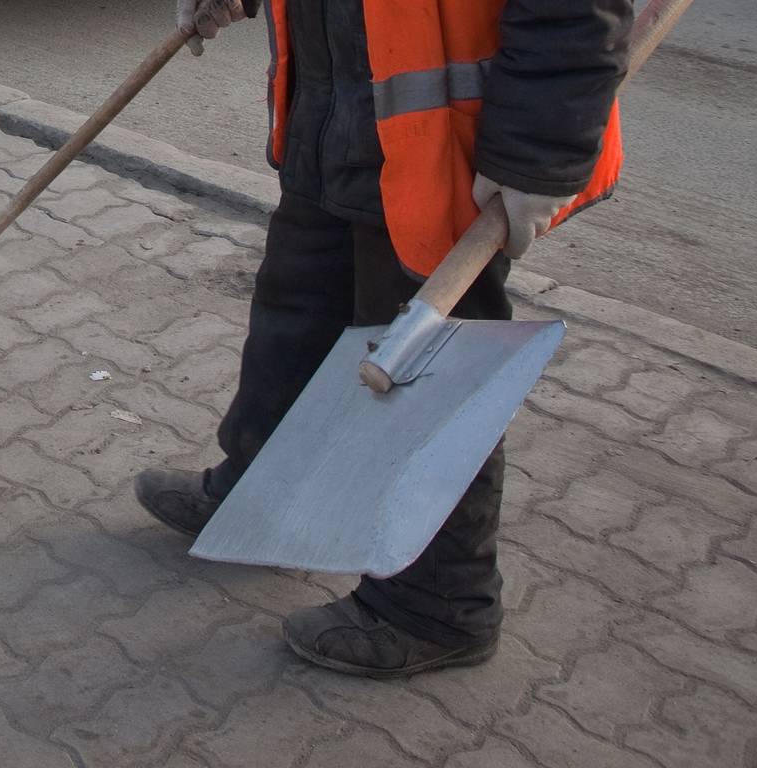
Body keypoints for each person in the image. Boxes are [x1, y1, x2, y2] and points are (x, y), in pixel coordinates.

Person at [137, 0, 633, 678]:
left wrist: (540, 154)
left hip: (440, 148)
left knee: (425, 381)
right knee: (294, 321)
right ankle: (268, 497)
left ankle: (438, 603)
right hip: (331, 115)